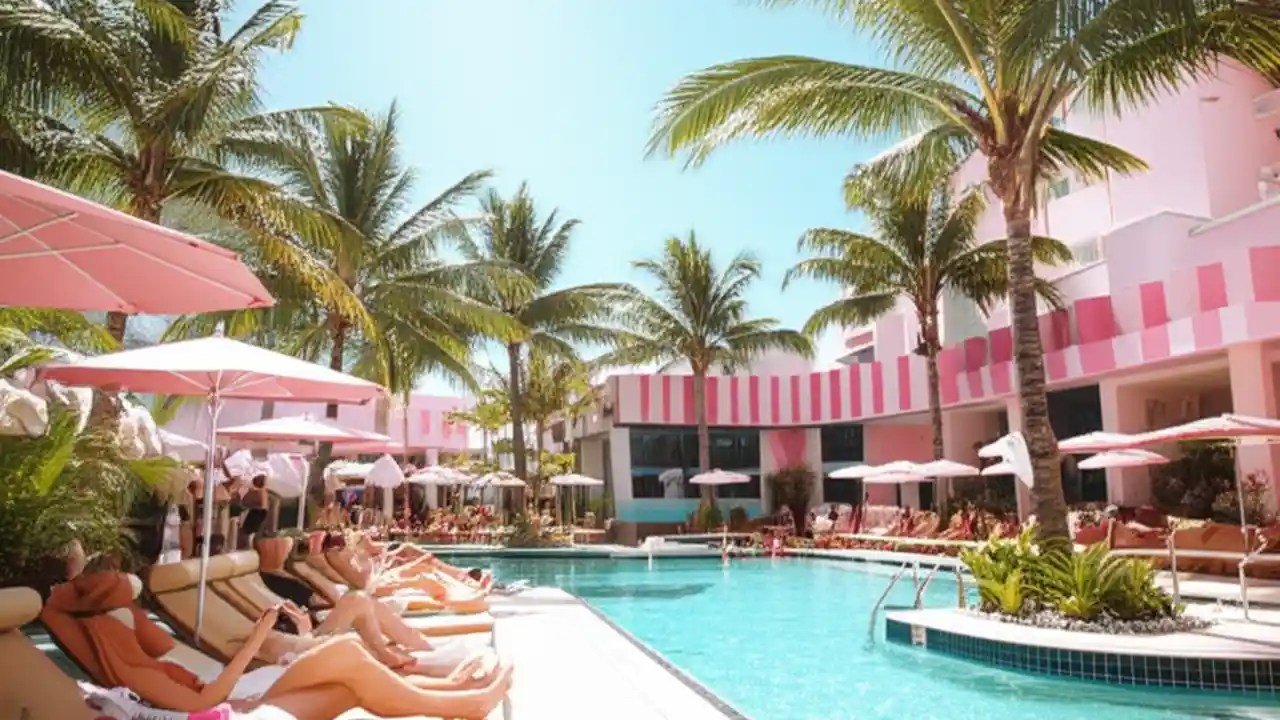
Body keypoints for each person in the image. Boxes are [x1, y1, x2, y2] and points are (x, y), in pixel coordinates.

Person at [42, 570, 512, 718]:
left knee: (350, 686)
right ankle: (461, 703)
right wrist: (259, 639)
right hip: (231, 707)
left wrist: (118, 602)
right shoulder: (132, 674)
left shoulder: (128, 646)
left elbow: (124, 593)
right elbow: (207, 699)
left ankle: (449, 694)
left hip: (240, 698)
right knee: (345, 652)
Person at [239, 475, 270, 545]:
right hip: (257, 511)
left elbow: (260, 504)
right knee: (249, 531)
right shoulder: (259, 491)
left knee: (249, 531)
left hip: (257, 512)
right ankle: (248, 544)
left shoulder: (260, 492)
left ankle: (249, 544)